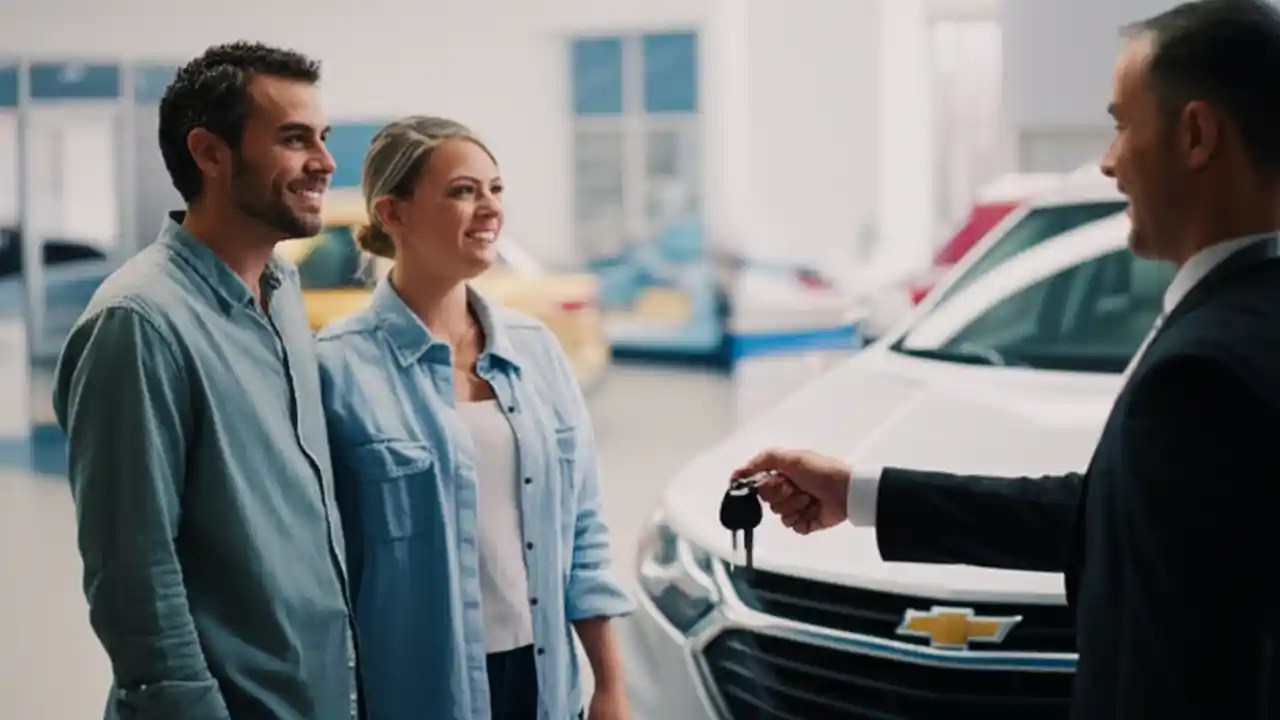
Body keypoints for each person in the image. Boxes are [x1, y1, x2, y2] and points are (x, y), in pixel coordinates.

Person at [735, 1, 1280, 717]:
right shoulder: (1241, 322)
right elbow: (1103, 515)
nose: (1108, 163)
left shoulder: (1206, 370)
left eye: (1121, 125)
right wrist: (861, 492)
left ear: (1196, 133)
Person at [52, 42, 359, 719]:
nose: (326, 162)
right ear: (210, 153)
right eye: (294, 139)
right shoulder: (139, 323)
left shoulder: (281, 292)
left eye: (324, 138)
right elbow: (133, 572)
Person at [315, 116, 634, 720]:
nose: (489, 208)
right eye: (463, 191)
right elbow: (320, 574)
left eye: (496, 189)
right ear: (394, 213)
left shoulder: (536, 350)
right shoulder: (337, 368)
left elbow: (584, 531)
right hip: (415, 694)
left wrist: (610, 685)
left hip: (545, 683)